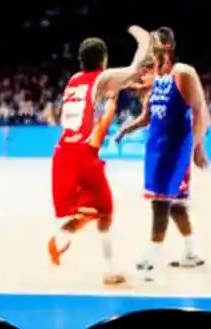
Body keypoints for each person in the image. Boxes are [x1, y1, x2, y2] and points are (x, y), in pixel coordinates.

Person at [47, 26, 153, 285]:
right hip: (83, 154)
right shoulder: (101, 78)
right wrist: (144, 40)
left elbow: (106, 89)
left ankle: (60, 240)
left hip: (63, 154)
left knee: (89, 210)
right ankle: (110, 270)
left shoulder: (74, 81)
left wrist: (127, 84)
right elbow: (135, 69)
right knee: (105, 211)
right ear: (103, 60)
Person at [115, 27, 211, 282]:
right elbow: (147, 116)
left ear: (167, 45)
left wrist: (198, 147)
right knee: (175, 205)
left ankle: (150, 260)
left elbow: (199, 110)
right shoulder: (158, 78)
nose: (150, 48)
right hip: (156, 147)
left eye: (154, 43)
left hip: (175, 148)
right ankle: (191, 253)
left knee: (160, 203)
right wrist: (127, 128)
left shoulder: (183, 72)